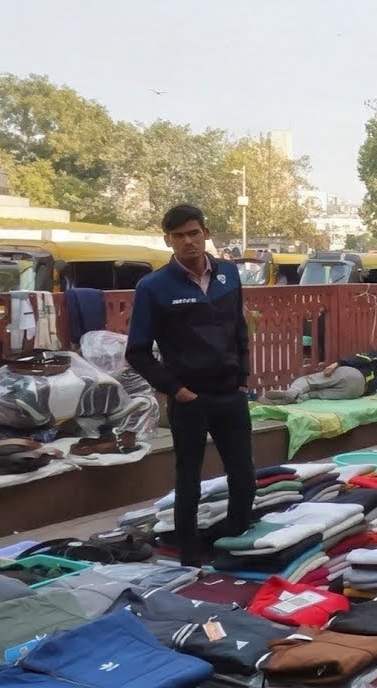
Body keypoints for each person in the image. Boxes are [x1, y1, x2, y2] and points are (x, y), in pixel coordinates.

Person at [126, 204, 254, 567]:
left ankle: (237, 543)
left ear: (205, 233)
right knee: (189, 481)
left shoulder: (228, 274)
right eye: (179, 235)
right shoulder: (154, 287)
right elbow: (137, 352)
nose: (188, 241)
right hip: (190, 399)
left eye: (194, 233)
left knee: (243, 476)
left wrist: (243, 378)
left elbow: (239, 331)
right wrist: (177, 390)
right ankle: (189, 556)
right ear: (168, 239)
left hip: (231, 394)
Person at [259, 348, 377, 404]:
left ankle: (291, 392)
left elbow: (359, 359)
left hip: (352, 374)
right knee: (316, 394)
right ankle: (283, 401)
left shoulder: (374, 355)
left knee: (309, 381)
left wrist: (337, 364)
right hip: (357, 391)